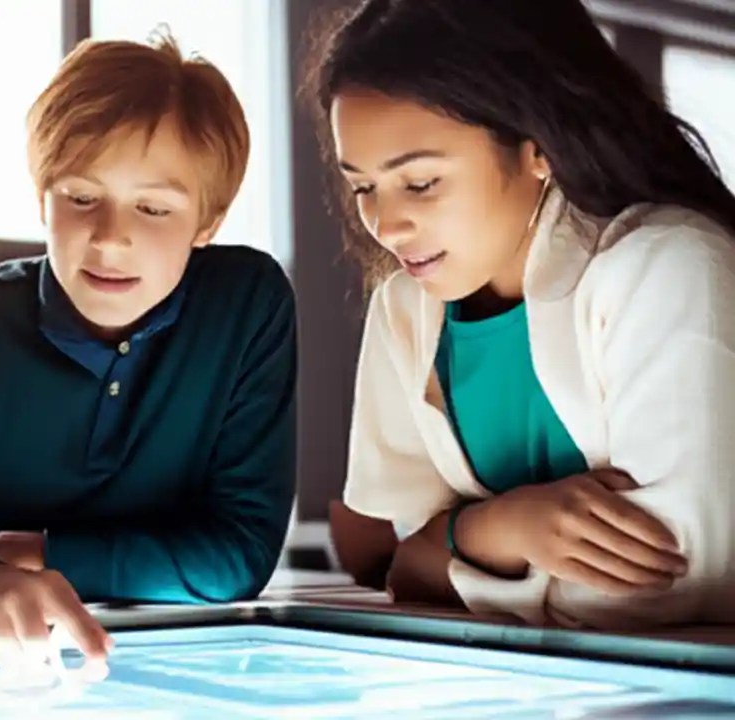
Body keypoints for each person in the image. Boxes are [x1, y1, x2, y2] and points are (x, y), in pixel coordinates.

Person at [0, 32, 298, 664]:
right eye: (80, 197)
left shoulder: (249, 303)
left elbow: (238, 557)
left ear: (207, 223)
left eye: (153, 209)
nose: (109, 239)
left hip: (180, 650)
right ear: (41, 194)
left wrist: (41, 552)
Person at [307, 0, 735, 629]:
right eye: (363, 187)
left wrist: (451, 548)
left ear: (538, 148)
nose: (385, 226)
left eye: (421, 182)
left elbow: (676, 587)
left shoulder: (672, 266)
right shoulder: (405, 308)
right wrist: (501, 528)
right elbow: (389, 561)